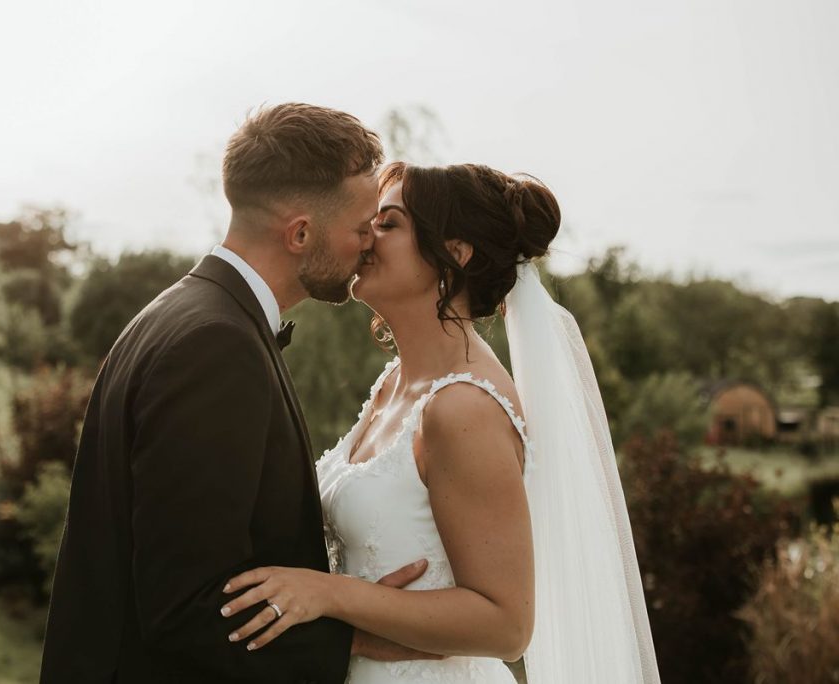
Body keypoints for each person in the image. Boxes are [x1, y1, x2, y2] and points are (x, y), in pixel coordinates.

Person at [219, 162, 662, 683]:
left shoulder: (463, 408)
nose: (366, 239)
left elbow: (506, 625)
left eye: (388, 224)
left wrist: (331, 594)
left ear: (454, 253)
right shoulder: (393, 383)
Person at [39, 105, 436, 683]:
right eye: (358, 229)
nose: (366, 247)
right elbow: (185, 606)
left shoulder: (182, 312)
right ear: (300, 233)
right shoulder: (215, 347)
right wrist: (356, 634)